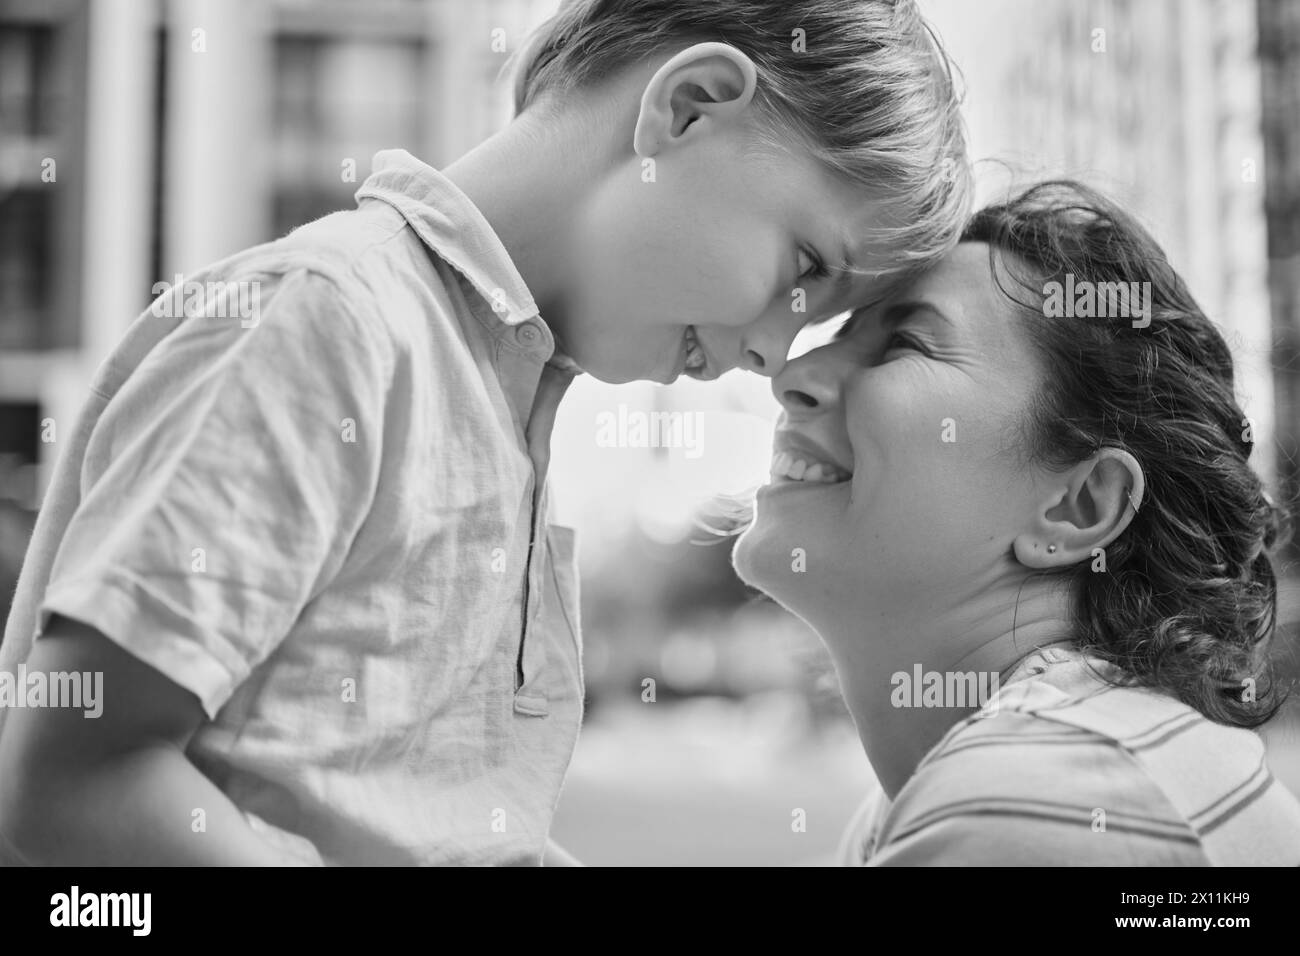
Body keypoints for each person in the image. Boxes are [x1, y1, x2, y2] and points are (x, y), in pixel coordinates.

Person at [0, 0, 969, 865]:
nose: (771, 355)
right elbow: (71, 783)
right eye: (803, 270)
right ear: (688, 106)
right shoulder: (332, 322)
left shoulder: (506, 401)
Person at [734, 180, 1300, 865]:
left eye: (905, 343)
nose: (791, 374)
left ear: (1079, 507)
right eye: (839, 335)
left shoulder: (1034, 796)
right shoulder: (1013, 777)